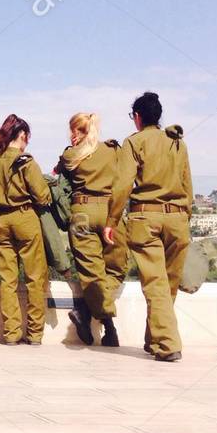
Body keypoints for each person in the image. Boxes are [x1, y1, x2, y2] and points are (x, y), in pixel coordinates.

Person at [109, 92, 193, 362]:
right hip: (178, 219)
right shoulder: (177, 142)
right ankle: (154, 340)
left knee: (156, 285)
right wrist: (184, 217)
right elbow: (187, 184)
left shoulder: (134, 142)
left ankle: (167, 344)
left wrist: (112, 220)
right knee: (168, 285)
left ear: (137, 117)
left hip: (146, 219)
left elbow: (122, 185)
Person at [55, 113, 124, 347]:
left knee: (92, 273)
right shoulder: (113, 151)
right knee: (115, 269)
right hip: (109, 213)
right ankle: (105, 325)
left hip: (82, 212)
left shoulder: (71, 155)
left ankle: (90, 315)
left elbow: (57, 179)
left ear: (76, 131)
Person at [0, 115, 52, 345]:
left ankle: (11, 334)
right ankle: (34, 334)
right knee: (35, 278)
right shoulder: (26, 162)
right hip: (25, 217)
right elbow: (43, 196)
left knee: (8, 280)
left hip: (2, 219)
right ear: (22, 135)